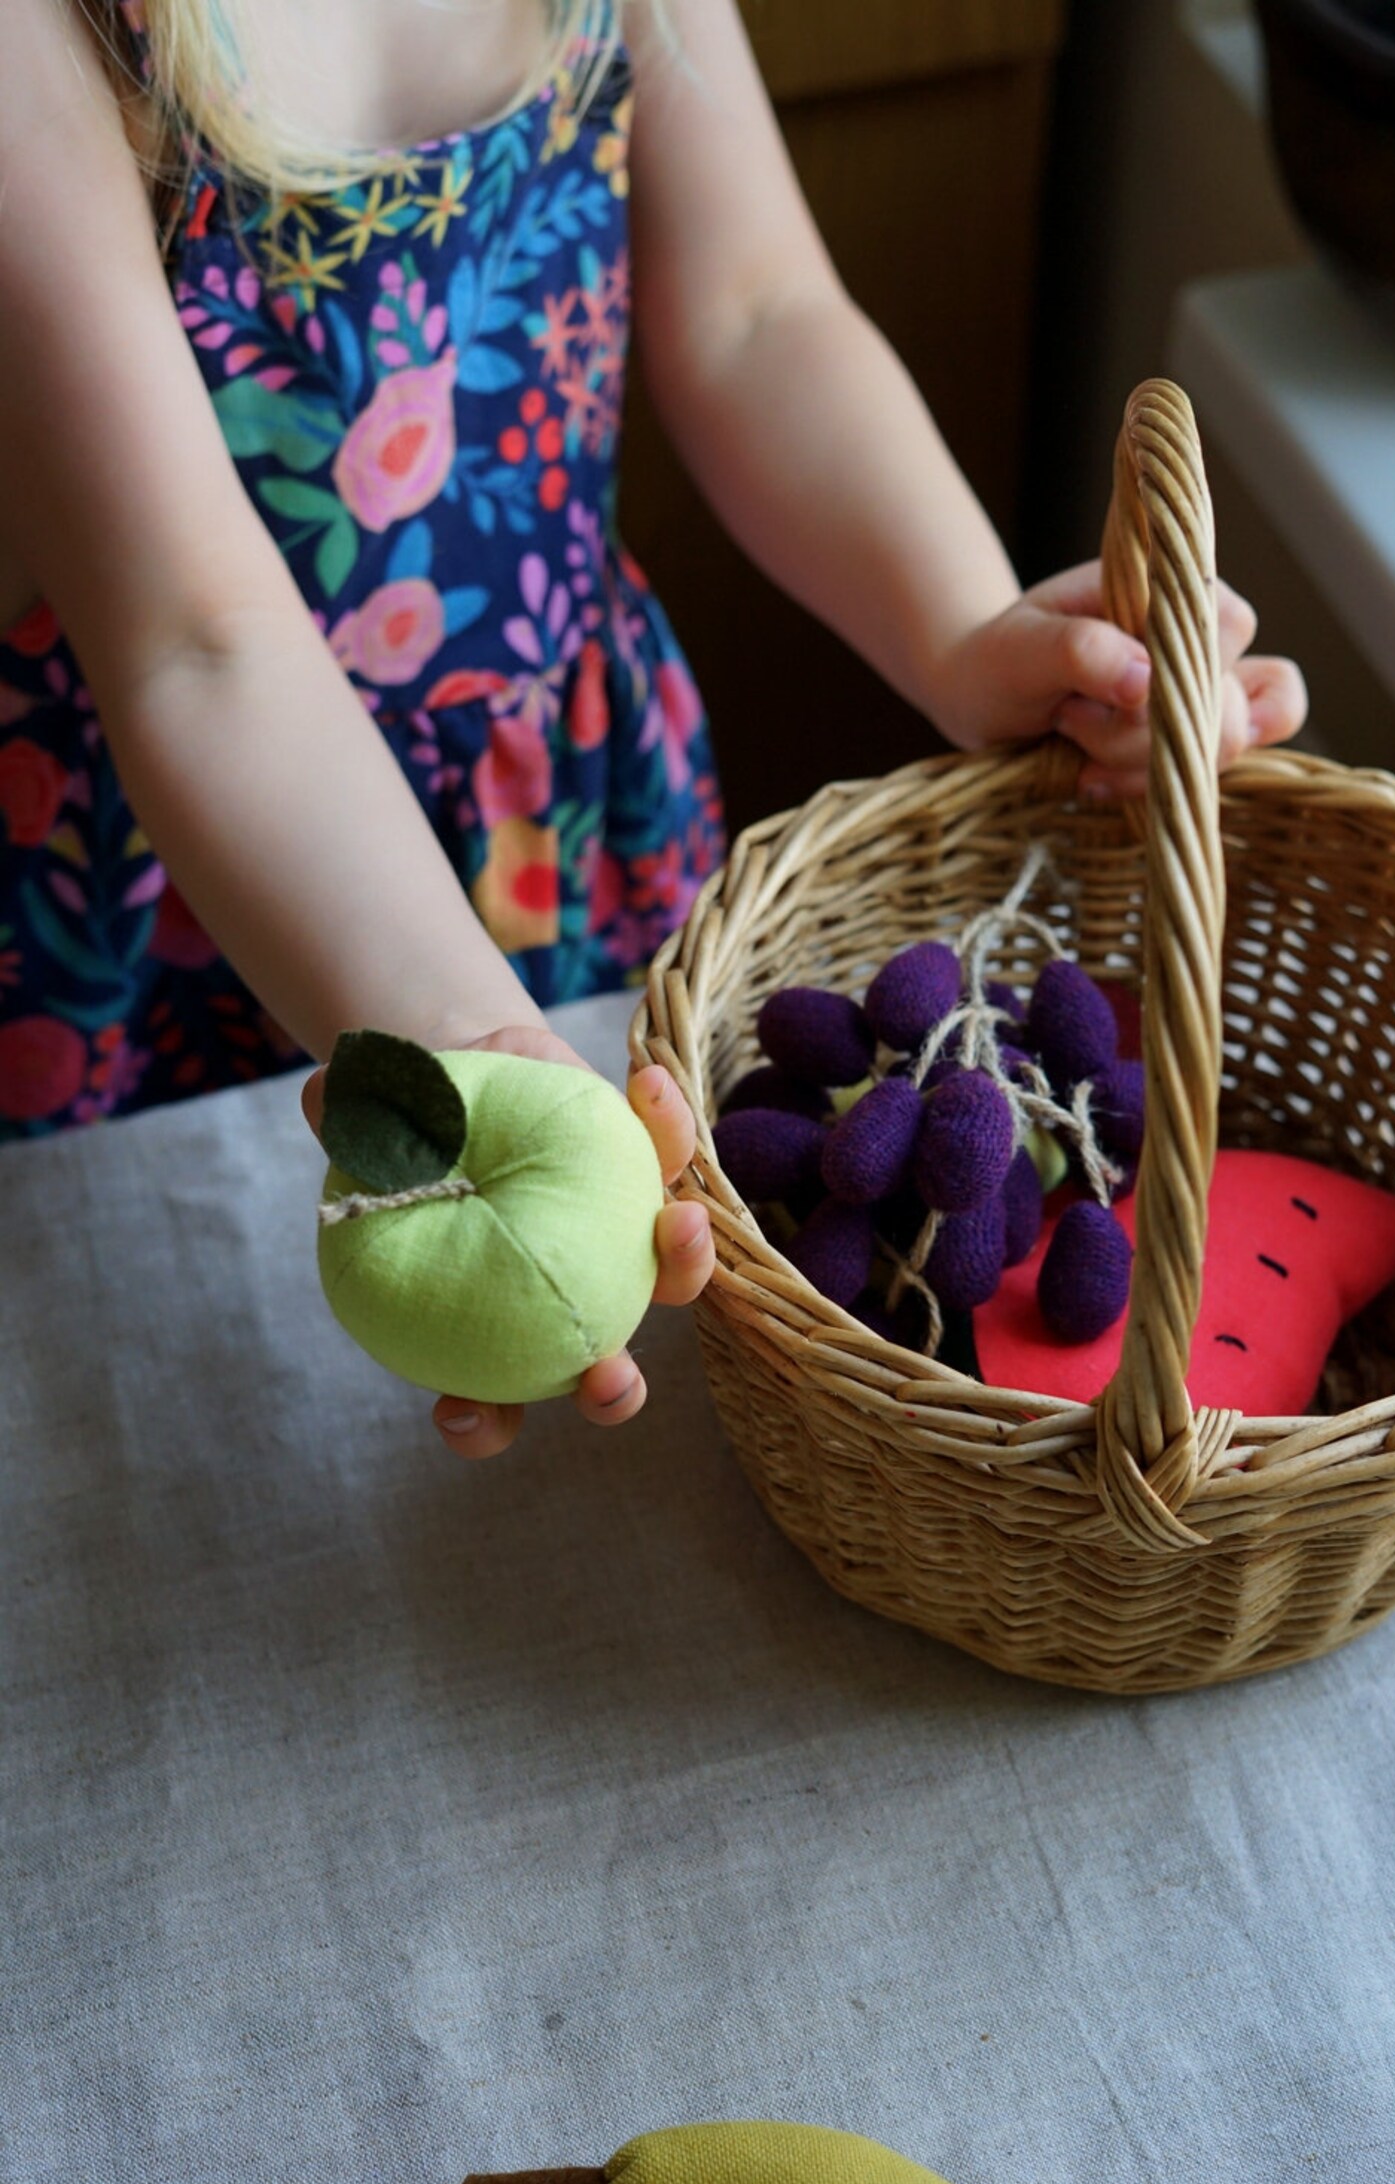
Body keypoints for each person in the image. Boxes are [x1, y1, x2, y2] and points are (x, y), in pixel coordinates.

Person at [0, 0, 1306, 1458]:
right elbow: (196, 642)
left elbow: (758, 315)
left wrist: (964, 631)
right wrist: (470, 1062)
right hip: (178, 896)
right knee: (146, 1413)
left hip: (565, 821)